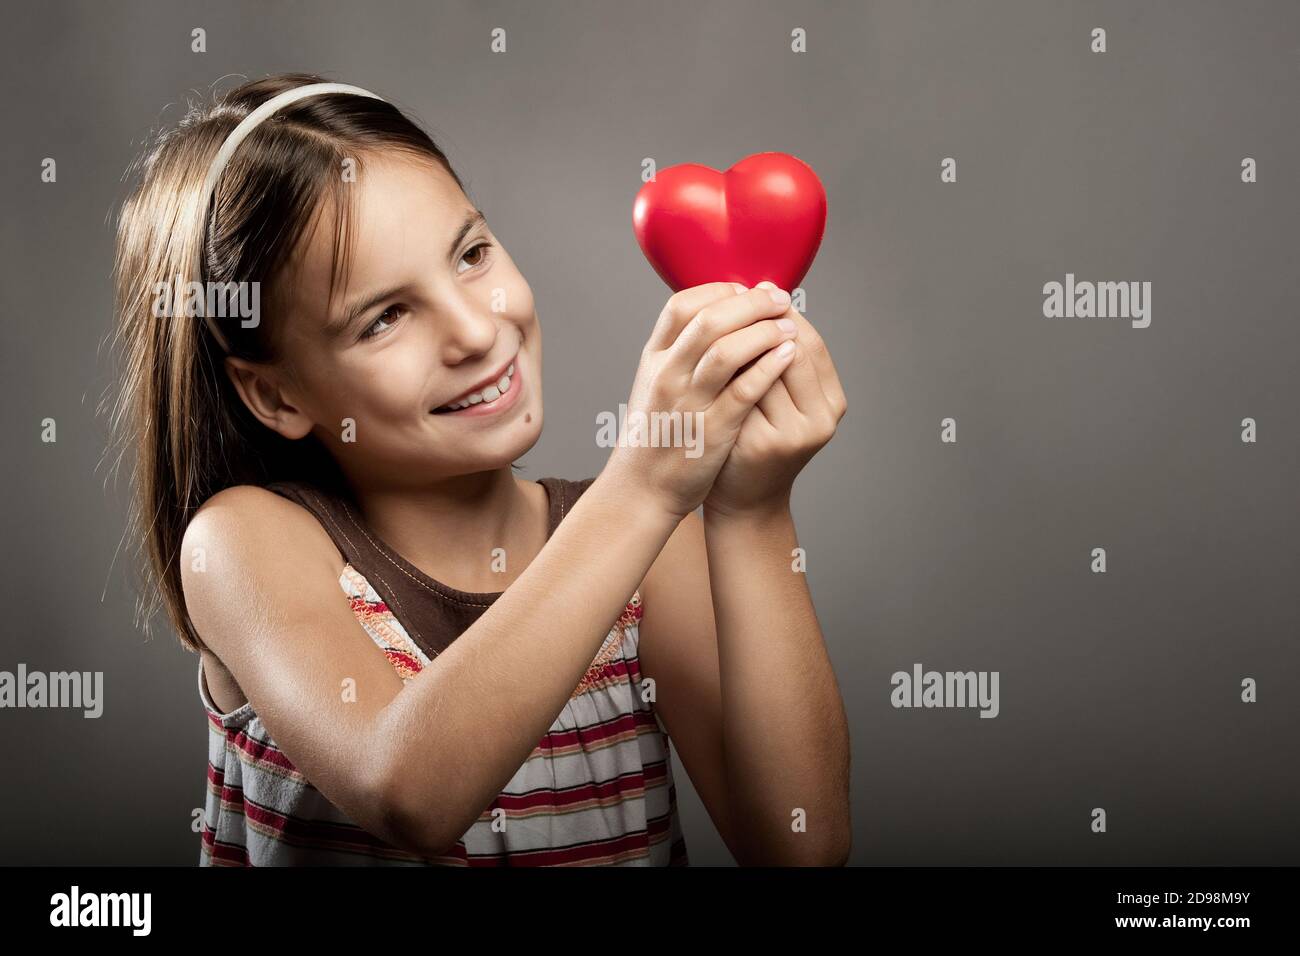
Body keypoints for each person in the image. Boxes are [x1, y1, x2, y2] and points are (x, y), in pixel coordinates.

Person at [107, 72, 851, 866]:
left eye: (470, 254)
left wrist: (753, 511)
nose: (473, 329)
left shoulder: (652, 556)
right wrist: (643, 486)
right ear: (276, 393)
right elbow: (409, 794)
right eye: (385, 317)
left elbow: (802, 848)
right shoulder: (242, 544)